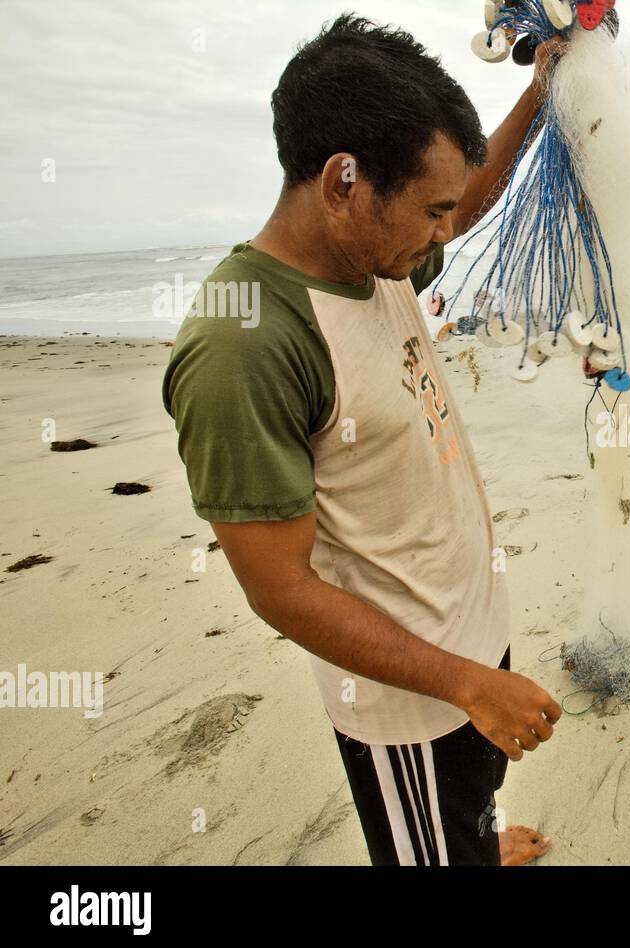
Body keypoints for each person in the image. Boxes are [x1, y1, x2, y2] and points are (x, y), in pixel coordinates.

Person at [162, 14, 564, 865]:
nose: (445, 232)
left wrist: (540, 88)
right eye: (430, 209)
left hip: (470, 651)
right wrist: (467, 683)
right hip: (411, 706)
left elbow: (470, 195)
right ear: (344, 181)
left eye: (446, 209)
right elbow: (280, 589)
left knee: (470, 814)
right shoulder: (248, 340)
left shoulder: (374, 257)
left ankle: (475, 844)